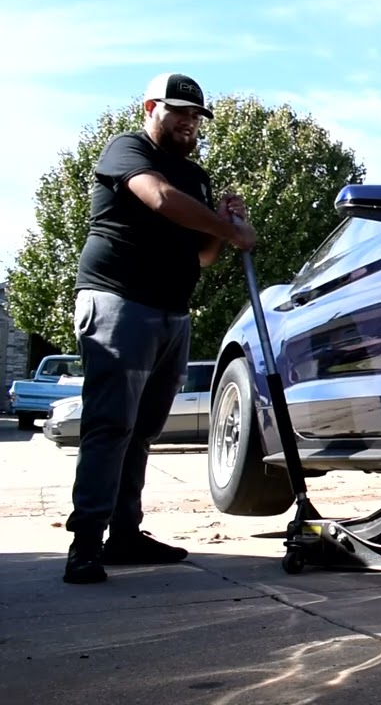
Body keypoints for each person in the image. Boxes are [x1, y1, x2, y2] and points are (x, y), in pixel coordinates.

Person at [63, 73, 257, 584]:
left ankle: (124, 533)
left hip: (173, 312)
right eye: (179, 112)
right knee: (111, 425)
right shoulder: (128, 150)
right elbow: (161, 200)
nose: (189, 123)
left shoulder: (196, 175)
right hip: (118, 301)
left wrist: (223, 224)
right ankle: (86, 543)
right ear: (151, 107)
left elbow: (204, 255)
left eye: (195, 116)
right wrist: (232, 230)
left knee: (143, 431)